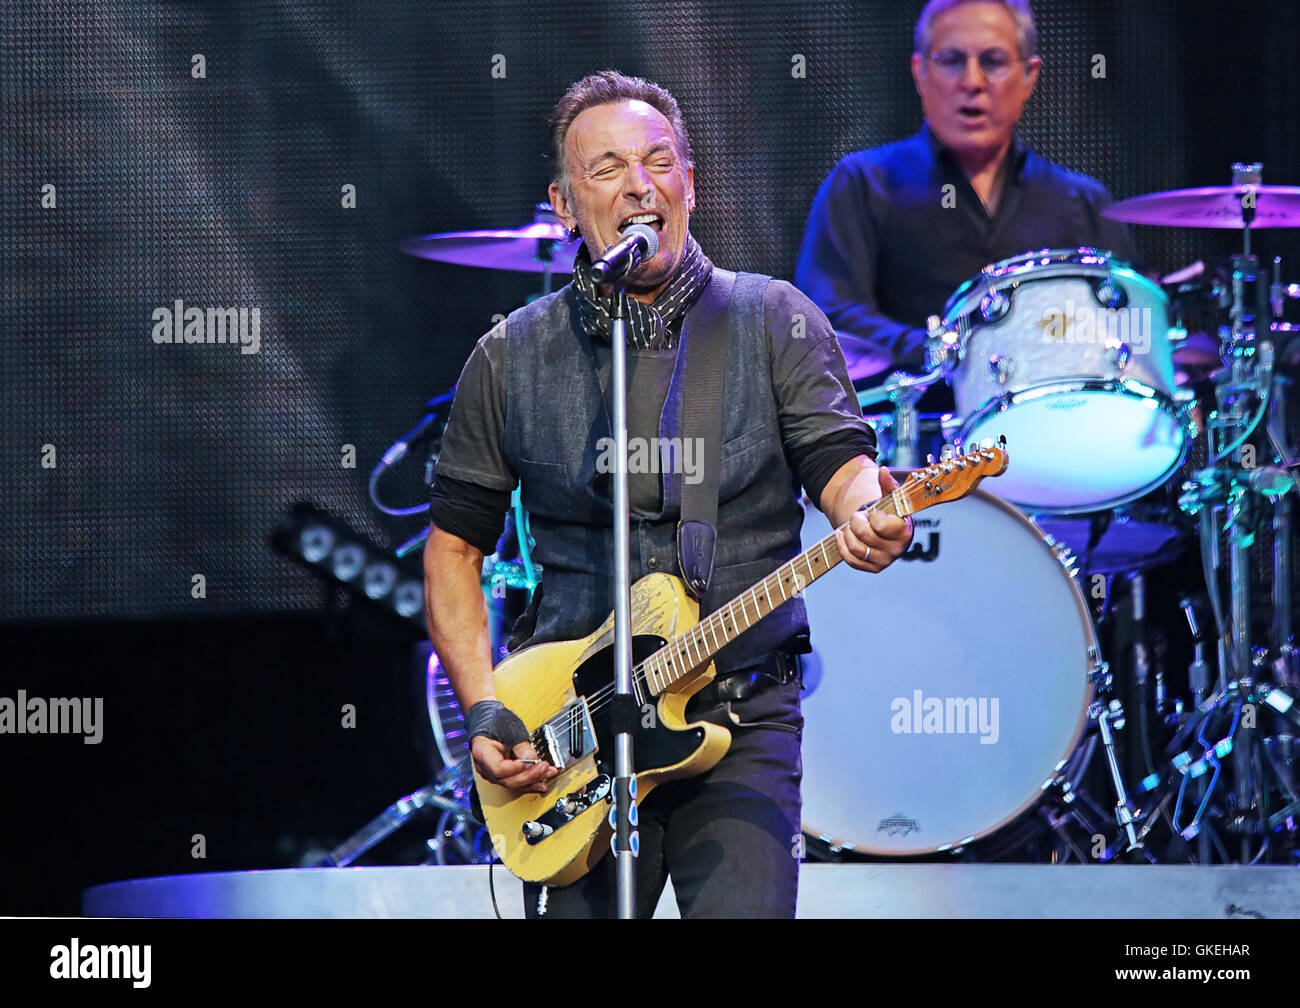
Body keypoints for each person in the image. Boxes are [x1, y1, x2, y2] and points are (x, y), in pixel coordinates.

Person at [423, 70, 913, 918]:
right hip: (570, 735)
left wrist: (865, 509)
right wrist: (486, 711)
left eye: (658, 160)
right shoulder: (509, 357)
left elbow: (841, 465)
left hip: (739, 712)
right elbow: (454, 552)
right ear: (565, 205)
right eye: (607, 168)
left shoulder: (776, 321)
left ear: (690, 181)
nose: (639, 184)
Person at [795, 0, 1138, 385]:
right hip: (916, 433)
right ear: (919, 72)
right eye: (952, 60)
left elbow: (1131, 324)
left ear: (1029, 75)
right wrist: (947, 349)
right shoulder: (863, 184)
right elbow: (828, 316)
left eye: (993, 61)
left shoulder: (1084, 202)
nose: (972, 81)